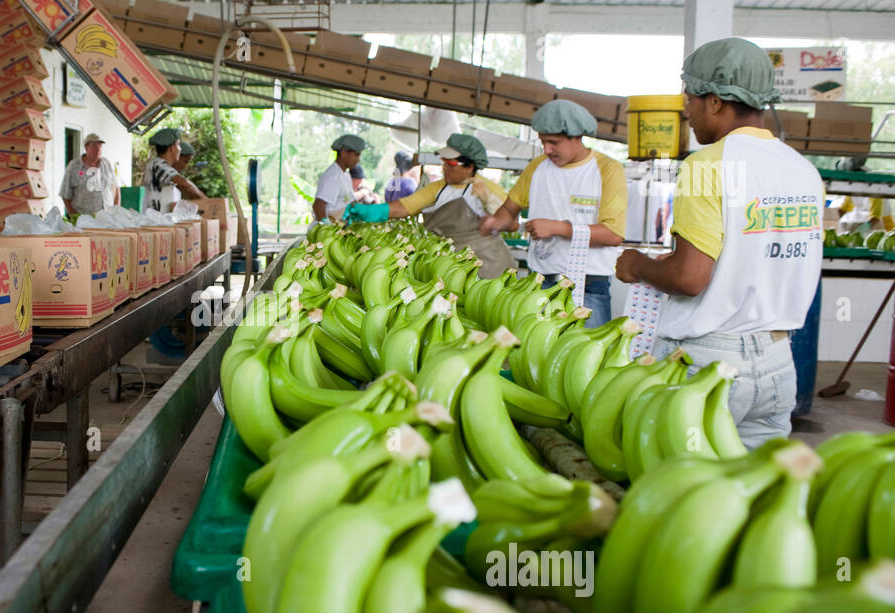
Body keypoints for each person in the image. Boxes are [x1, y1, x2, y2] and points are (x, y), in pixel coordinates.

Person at [616, 37, 824, 447]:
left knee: (685, 493)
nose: (686, 111)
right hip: (779, 361)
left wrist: (636, 264)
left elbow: (690, 277)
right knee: (755, 496)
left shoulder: (708, 165)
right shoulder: (803, 171)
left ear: (714, 101)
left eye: (689, 98)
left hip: (709, 365)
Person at [479, 99, 626, 326]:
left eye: (554, 142)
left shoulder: (607, 170)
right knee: (536, 356)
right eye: (543, 142)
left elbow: (613, 234)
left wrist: (557, 228)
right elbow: (509, 208)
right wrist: (496, 222)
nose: (547, 149)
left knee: (584, 357)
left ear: (577, 137)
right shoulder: (537, 167)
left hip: (589, 286)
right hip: (540, 281)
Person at [345, 133, 516, 278]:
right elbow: (403, 207)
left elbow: (514, 223)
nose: (444, 169)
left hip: (489, 265)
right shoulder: (438, 189)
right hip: (453, 264)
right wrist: (366, 211)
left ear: (469, 166)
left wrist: (496, 221)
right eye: (444, 163)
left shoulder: (486, 189)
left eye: (451, 164)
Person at [141, 127, 207, 213]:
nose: (180, 149)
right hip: (154, 223)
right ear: (172, 148)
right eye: (178, 144)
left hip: (159, 221)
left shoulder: (160, 165)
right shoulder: (157, 164)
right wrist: (206, 200)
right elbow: (184, 184)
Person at [60, 132, 120, 216]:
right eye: (95, 146)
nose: (98, 149)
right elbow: (65, 194)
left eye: (100, 146)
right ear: (86, 147)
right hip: (85, 218)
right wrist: (74, 216)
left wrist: (116, 210)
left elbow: (116, 188)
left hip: (107, 218)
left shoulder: (107, 164)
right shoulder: (74, 166)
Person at [312, 133, 366, 221]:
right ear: (344, 153)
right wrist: (327, 228)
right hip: (330, 228)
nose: (358, 159)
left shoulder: (345, 175)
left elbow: (350, 201)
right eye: (356, 155)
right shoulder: (333, 176)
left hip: (340, 226)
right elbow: (318, 206)